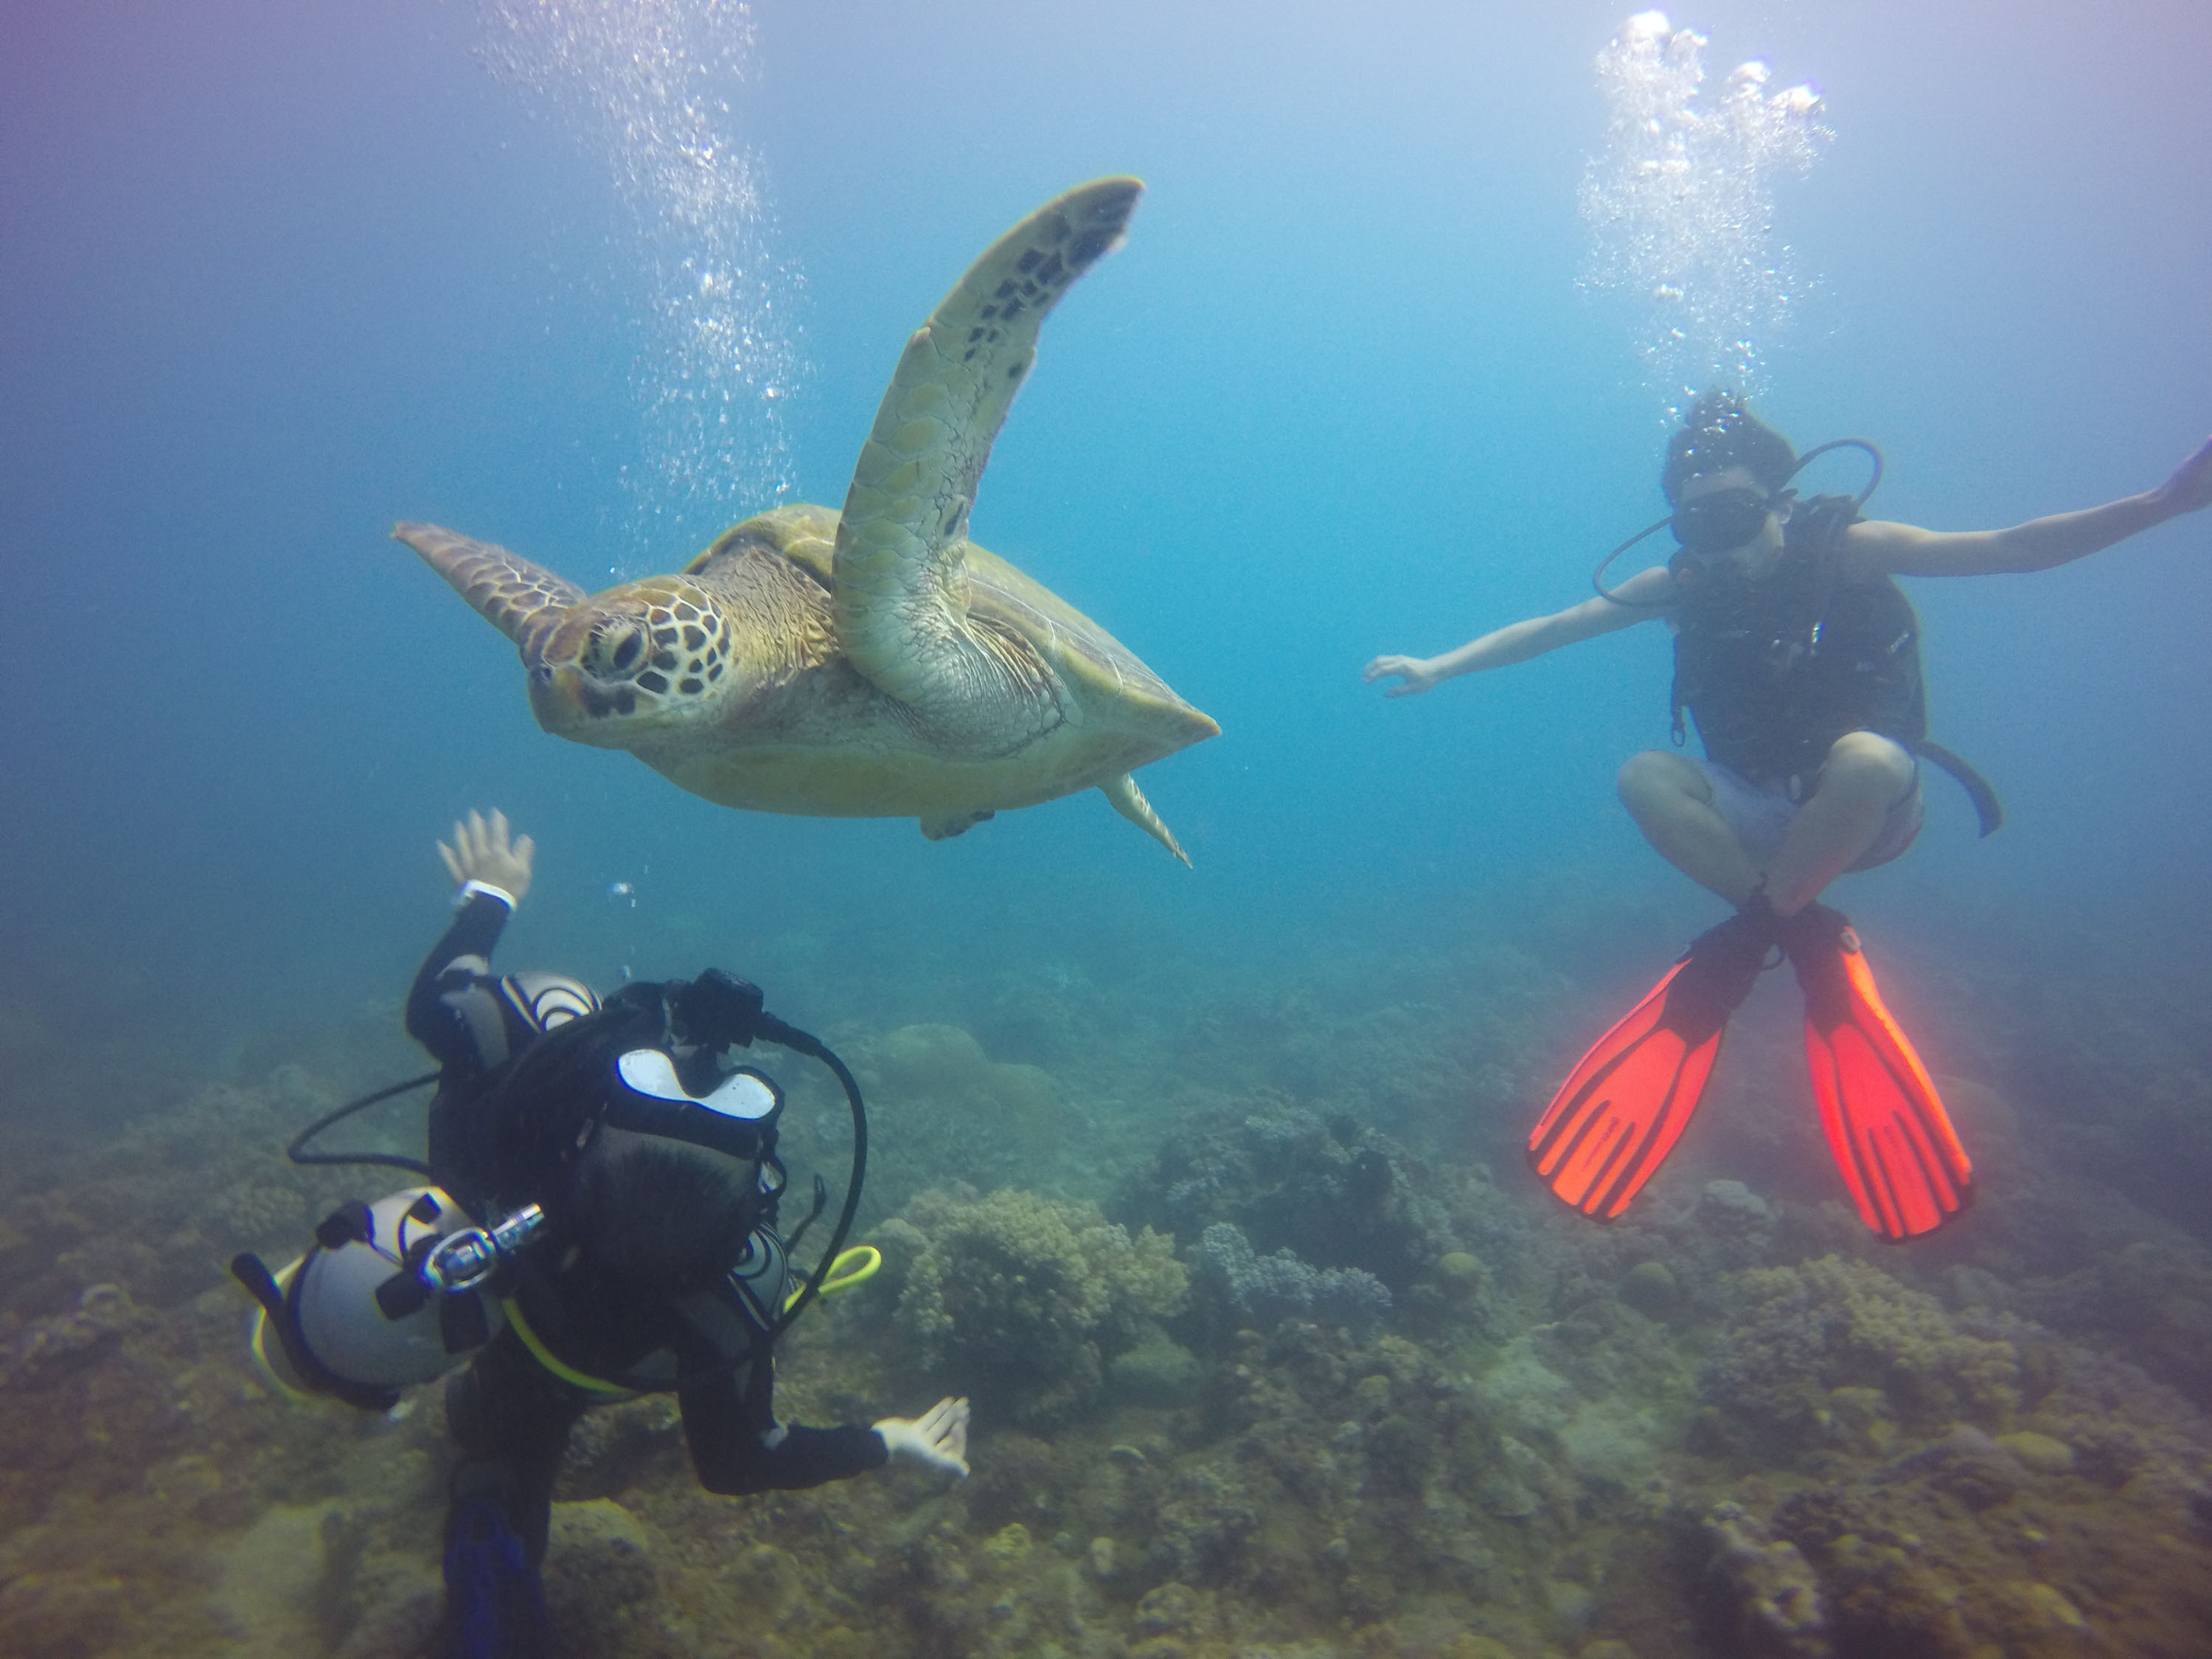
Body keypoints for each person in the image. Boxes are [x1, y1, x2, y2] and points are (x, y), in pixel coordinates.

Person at [1365, 394, 2212, 1239]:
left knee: (1873, 755)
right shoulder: (1681, 586)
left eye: (1735, 513)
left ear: (1778, 503)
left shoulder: (1846, 550)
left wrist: (2161, 505)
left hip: (1863, 809)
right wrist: (1442, 665)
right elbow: (1557, 627)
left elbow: (2013, 549)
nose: (1718, 540)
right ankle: (1798, 935)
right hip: (1755, 814)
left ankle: (1750, 939)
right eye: (1697, 523)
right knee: (1643, 776)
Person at [238, 810, 970, 1659]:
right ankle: (495, 1499)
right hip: (643, 1317)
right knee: (557, 1378)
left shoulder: (501, 1135)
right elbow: (441, 1003)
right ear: (374, 1224)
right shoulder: (500, 1114)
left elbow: (739, 1460)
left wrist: (884, 1444)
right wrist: (488, 899)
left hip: (570, 1342)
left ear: (427, 1369)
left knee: (500, 1428)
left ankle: (492, 1526)